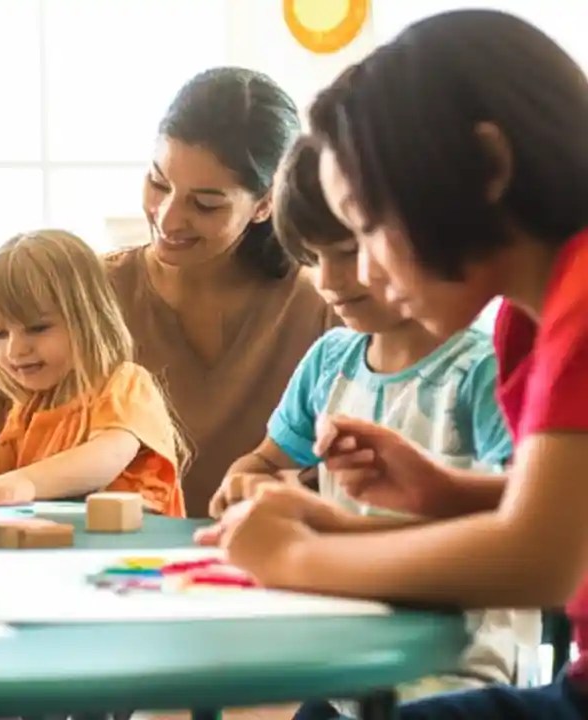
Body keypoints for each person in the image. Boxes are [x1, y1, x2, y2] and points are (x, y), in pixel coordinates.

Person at [197, 9, 588, 719]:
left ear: (488, 167)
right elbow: (567, 515)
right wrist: (439, 495)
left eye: (369, 227)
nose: (366, 272)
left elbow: (544, 559)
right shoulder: (529, 325)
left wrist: (297, 560)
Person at [0, 67, 336, 513]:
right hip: (110, 563)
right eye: (158, 183)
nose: (168, 217)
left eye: (205, 204)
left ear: (266, 204)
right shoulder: (94, 285)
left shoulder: (322, 307)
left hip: (264, 566)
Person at [211, 138, 535, 718]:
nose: (333, 279)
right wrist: (252, 488)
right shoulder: (331, 360)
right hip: (344, 644)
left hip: (456, 657)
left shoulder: (478, 369)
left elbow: (525, 522)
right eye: (312, 258)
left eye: (348, 248)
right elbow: (261, 463)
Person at [0, 230, 186, 515]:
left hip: (140, 549)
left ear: (88, 319)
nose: (15, 350)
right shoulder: (30, 407)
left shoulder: (125, 384)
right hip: (67, 548)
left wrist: (22, 483)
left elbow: (106, 457)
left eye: (37, 328)